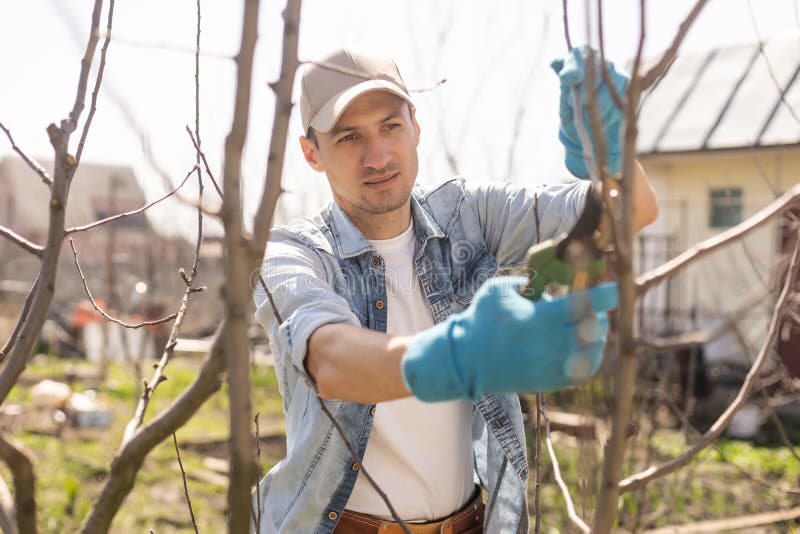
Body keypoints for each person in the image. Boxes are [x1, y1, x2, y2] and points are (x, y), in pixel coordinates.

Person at [252, 47, 658, 533]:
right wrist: (458, 354)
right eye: (349, 137)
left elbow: (630, 211)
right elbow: (331, 360)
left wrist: (611, 156)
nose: (378, 156)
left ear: (416, 125)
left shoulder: (469, 216)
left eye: (390, 126)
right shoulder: (293, 253)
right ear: (312, 153)